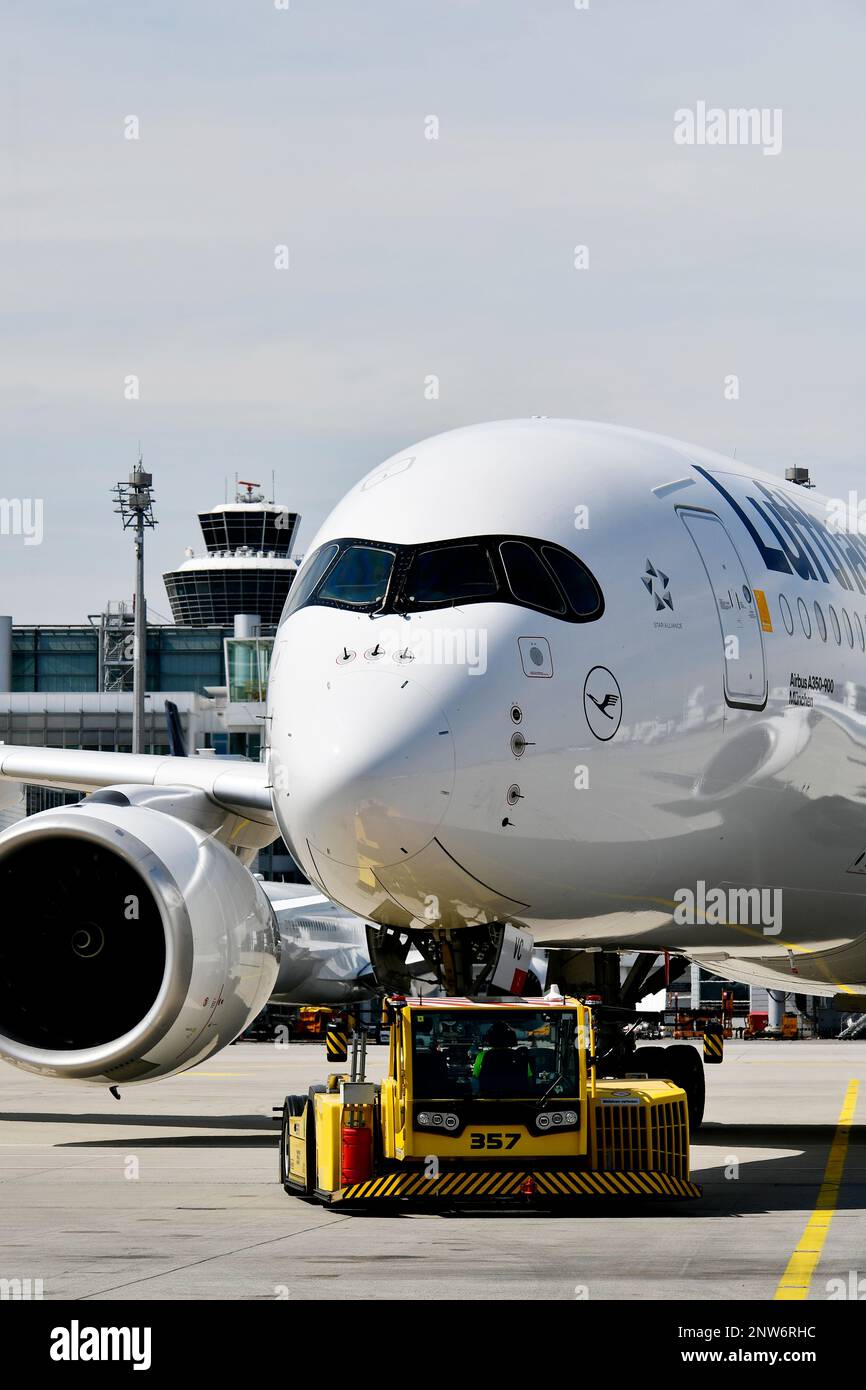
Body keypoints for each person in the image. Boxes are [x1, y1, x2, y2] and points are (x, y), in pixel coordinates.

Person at [471, 1020, 532, 1096]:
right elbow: (528, 1079)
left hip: (489, 1099)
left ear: (490, 1038)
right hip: (515, 1099)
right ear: (511, 1038)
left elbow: (475, 1079)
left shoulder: (482, 1056)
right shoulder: (519, 1055)